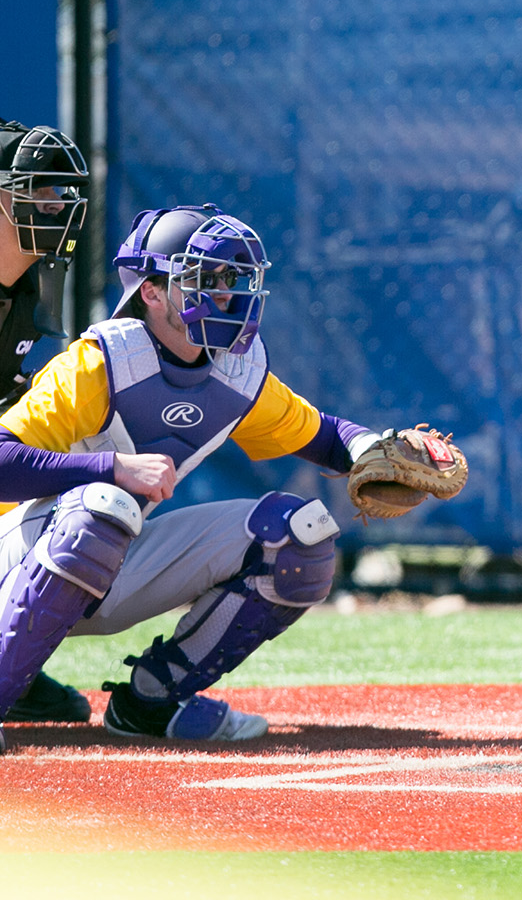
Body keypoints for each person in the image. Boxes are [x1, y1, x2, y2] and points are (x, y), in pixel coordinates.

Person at [0, 204, 395, 750]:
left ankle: (149, 701)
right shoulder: (98, 364)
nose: (227, 292)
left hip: (97, 558)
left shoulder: (235, 370)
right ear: (152, 292)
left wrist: (380, 451)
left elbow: (325, 435)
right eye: (205, 278)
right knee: (103, 506)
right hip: (18, 555)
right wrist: (111, 467)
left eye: (233, 277)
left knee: (301, 535)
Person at [0, 120, 95, 726]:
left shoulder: (35, 283)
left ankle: (10, 658)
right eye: (38, 191)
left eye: (61, 193)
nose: (57, 206)